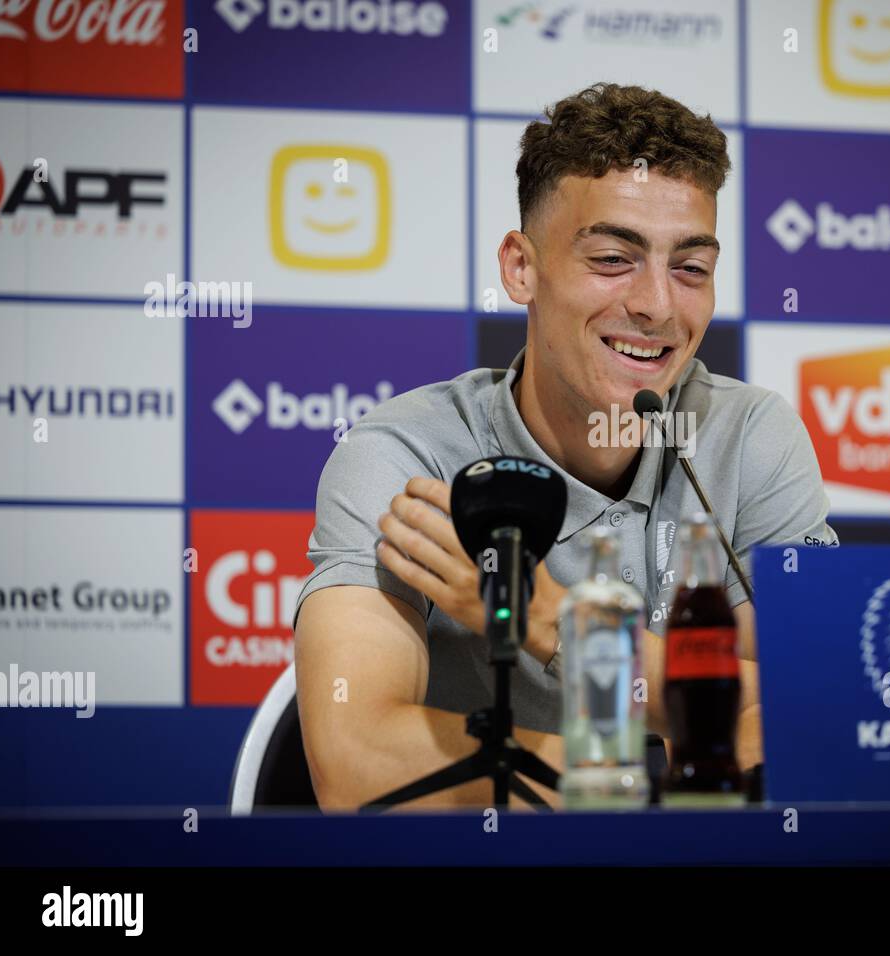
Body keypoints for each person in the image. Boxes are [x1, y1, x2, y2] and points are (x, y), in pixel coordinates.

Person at [293, 82, 837, 810]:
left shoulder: (751, 438)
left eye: (691, 268)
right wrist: (671, 773)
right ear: (521, 267)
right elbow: (356, 763)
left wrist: (555, 623)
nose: (656, 305)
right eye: (614, 258)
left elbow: (824, 719)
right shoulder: (407, 457)